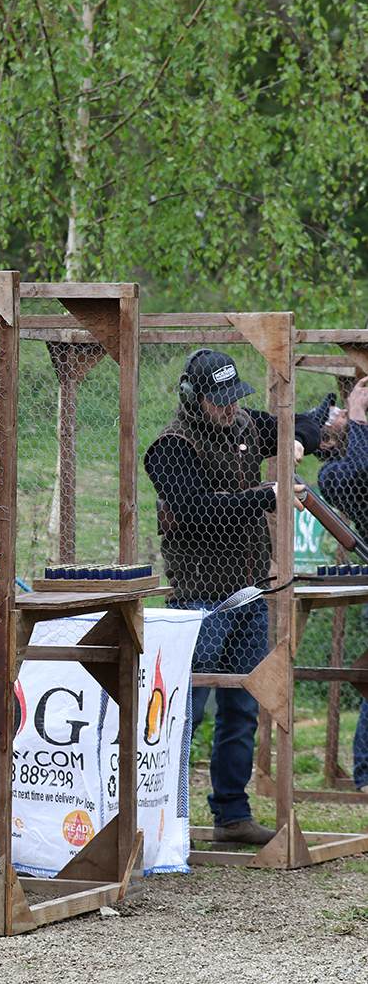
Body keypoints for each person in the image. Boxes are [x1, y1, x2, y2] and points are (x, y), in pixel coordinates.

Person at [144, 349, 320, 846]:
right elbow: (196, 511)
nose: (228, 409)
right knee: (187, 709)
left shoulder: (244, 424)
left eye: (231, 398)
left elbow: (301, 424)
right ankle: (166, 814)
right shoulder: (170, 447)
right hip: (200, 597)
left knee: (243, 704)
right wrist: (268, 495)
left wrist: (299, 442)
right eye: (217, 401)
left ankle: (231, 813)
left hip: (249, 593)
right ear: (192, 399)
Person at [313, 376, 368, 793]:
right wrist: (361, 414)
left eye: (343, 410)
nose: (341, 415)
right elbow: (360, 470)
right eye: (337, 417)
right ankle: (366, 774)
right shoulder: (335, 475)